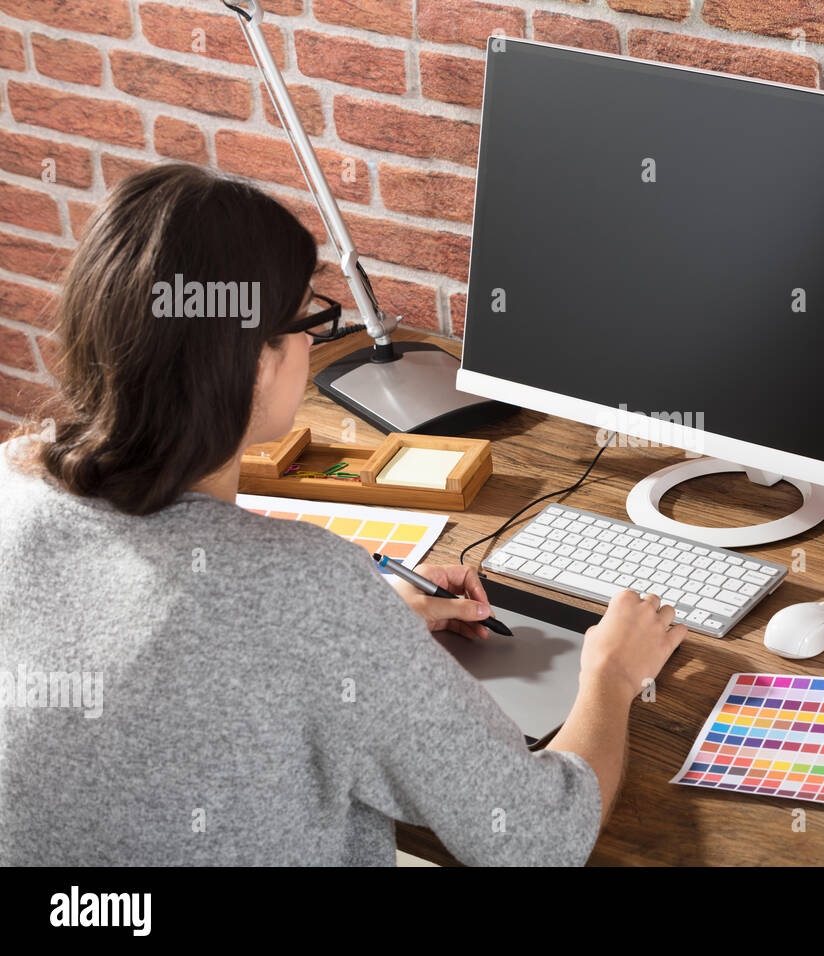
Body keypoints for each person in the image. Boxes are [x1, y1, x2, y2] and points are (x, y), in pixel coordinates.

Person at [0, 162, 685, 866]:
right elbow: (541, 838)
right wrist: (611, 673)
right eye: (307, 320)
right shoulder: (305, 587)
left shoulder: (11, 489)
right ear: (255, 361)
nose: (310, 343)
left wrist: (364, 630)